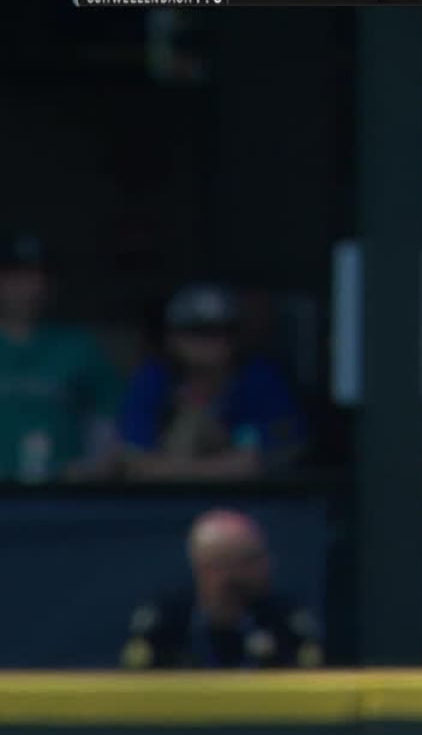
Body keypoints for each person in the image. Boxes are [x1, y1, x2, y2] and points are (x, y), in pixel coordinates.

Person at [118, 284, 305, 480]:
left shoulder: (260, 379)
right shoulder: (154, 378)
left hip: (246, 502)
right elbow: (136, 459)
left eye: (218, 331)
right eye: (195, 331)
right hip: (164, 502)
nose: (206, 342)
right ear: (172, 337)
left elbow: (264, 459)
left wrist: (177, 468)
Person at [121, 508, 323, 668]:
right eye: (250, 560)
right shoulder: (165, 623)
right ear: (211, 570)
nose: (266, 566)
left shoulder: (284, 621)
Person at [0, 233, 121, 481]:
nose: (23, 287)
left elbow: (110, 423)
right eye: (12, 276)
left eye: (33, 276)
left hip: (64, 498)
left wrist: (94, 467)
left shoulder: (79, 346)